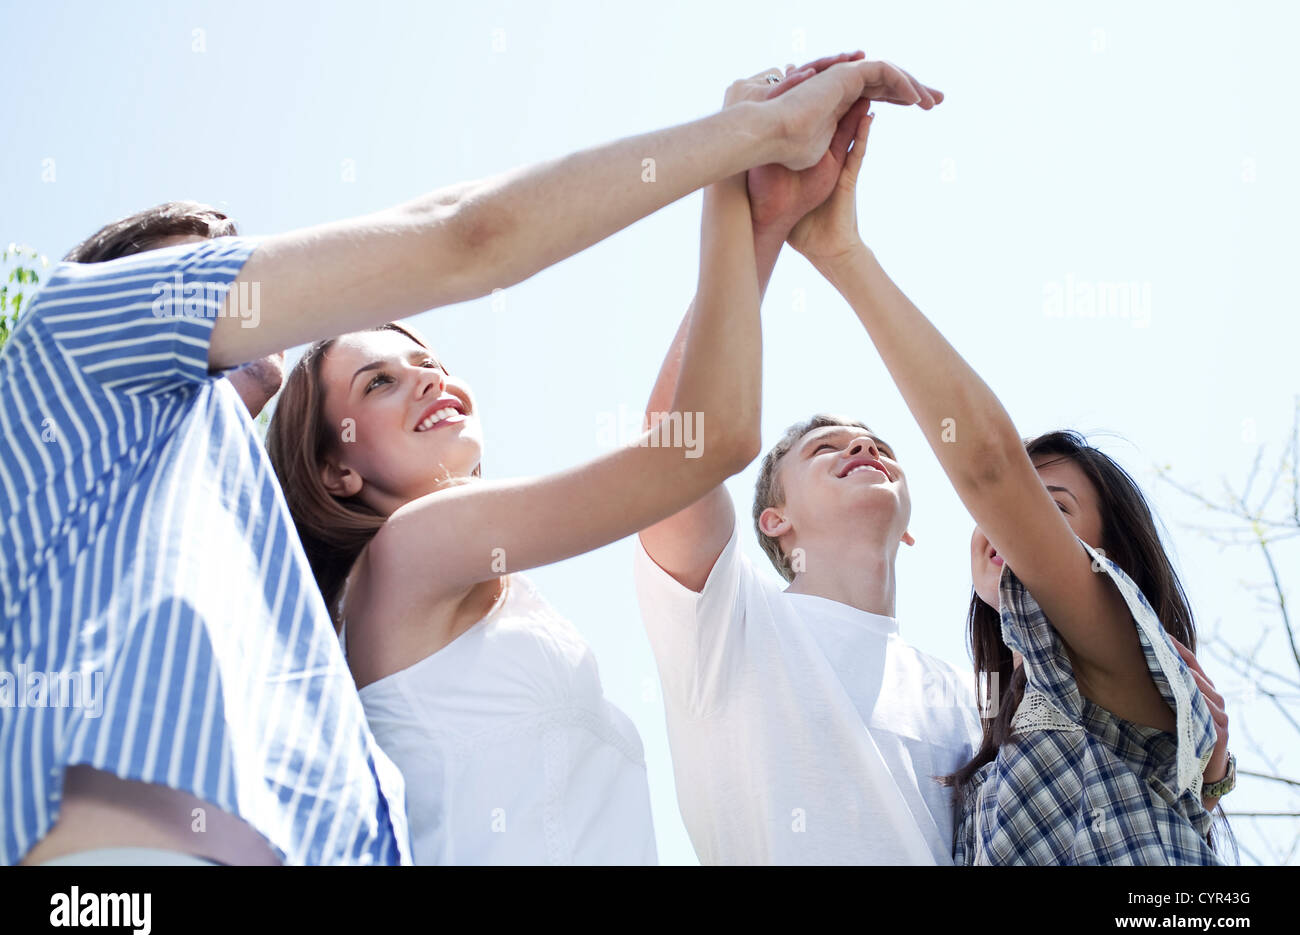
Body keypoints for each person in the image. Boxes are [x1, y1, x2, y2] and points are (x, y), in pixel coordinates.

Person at [2, 51, 934, 866]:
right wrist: (741, 150)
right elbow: (692, 442)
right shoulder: (410, 551)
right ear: (335, 468)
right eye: (375, 383)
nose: (426, 380)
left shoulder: (271, 590)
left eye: (430, 362)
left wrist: (756, 218)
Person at [786, 112, 1232, 863]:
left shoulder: (1124, 657)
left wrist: (840, 252)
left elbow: (989, 466)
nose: (1006, 521)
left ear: (1112, 555)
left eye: (1050, 510)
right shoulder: (983, 757)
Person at [633, 99, 980, 862]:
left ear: (910, 525)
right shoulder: (728, 627)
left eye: (877, 443)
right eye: (825, 447)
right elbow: (670, 449)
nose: (861, 443)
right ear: (773, 522)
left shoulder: (961, 694)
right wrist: (762, 229)